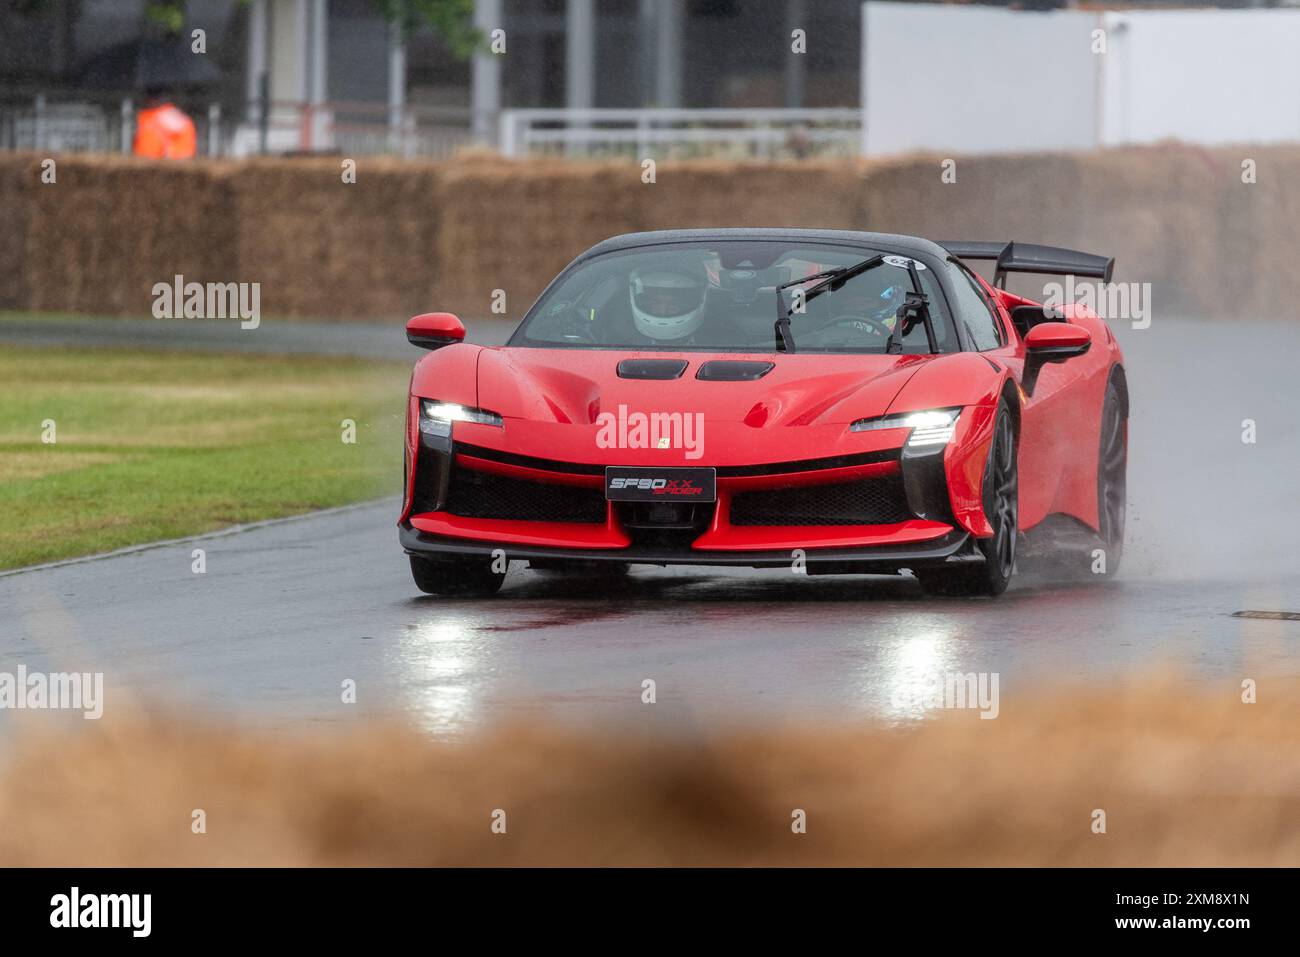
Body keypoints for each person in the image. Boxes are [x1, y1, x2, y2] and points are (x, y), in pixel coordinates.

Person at [132, 88, 197, 159]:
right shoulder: (150, 114)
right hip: (146, 160)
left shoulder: (167, 113)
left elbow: (182, 131)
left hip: (169, 161)